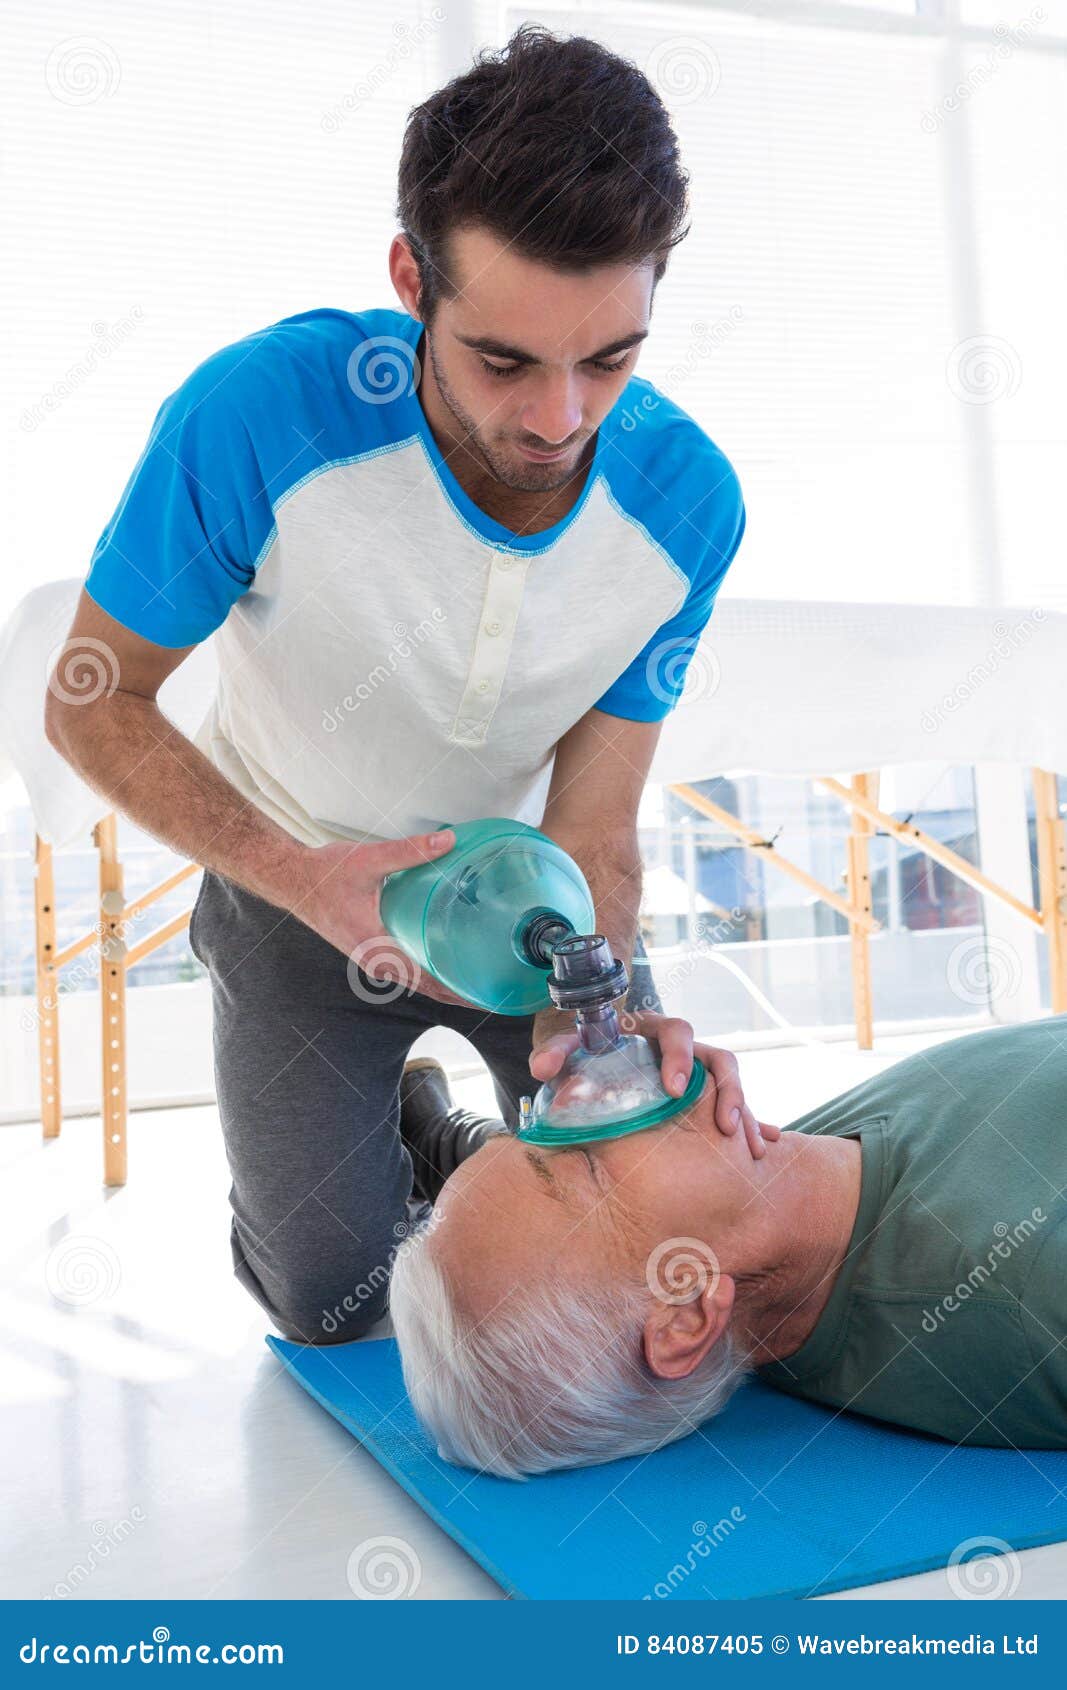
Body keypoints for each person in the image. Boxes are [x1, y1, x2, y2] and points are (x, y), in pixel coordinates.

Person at [44, 26, 756, 1342]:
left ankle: (476, 1132)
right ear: (408, 281)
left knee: (656, 1246)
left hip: (528, 903)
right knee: (331, 1298)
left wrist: (597, 1006)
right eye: (503, 360)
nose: (557, 419)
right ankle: (420, 1132)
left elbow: (593, 828)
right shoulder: (258, 413)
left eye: (608, 359)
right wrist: (296, 873)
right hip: (292, 880)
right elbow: (92, 697)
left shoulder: (688, 506)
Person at [389, 1016, 1067, 1477]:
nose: (570, 1094)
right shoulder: (1025, 1293)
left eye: (531, 1125)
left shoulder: (776, 1186)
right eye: (581, 1166)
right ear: (686, 1316)